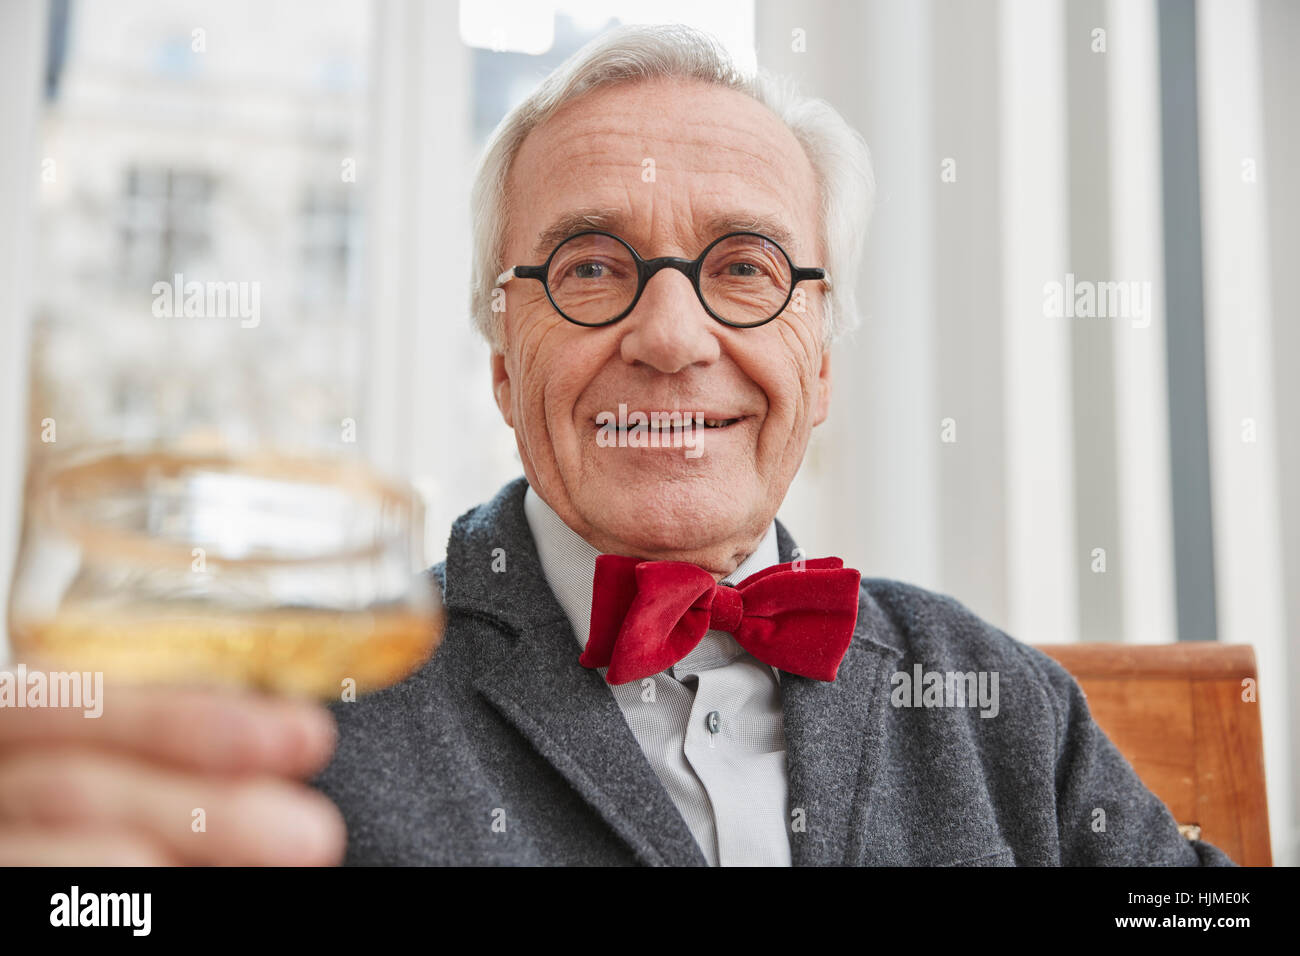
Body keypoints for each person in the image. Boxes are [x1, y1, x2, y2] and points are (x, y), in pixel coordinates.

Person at [0, 24, 1233, 867]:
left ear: (819, 359)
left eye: (744, 267)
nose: (669, 331)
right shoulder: (308, 699)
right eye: (591, 266)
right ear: (501, 356)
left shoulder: (994, 695)